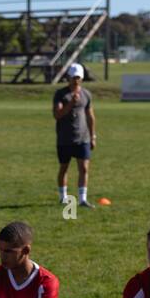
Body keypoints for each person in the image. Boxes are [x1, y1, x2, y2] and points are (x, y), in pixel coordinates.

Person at [52, 63, 96, 208]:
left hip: (83, 138)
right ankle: (63, 197)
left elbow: (90, 116)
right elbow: (57, 115)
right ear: (69, 77)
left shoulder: (86, 94)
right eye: (73, 77)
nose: (76, 80)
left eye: (78, 77)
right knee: (64, 168)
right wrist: (71, 103)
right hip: (65, 138)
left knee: (84, 168)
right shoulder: (61, 94)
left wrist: (93, 136)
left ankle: (82, 199)